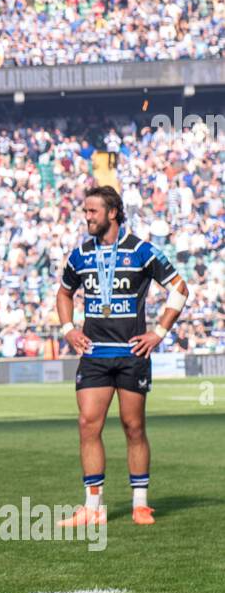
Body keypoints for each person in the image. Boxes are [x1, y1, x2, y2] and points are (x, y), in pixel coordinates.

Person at [55, 185, 188, 527]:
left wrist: (158, 332)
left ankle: (140, 504)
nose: (87, 217)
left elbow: (180, 288)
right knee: (88, 424)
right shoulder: (80, 255)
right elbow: (64, 292)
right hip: (94, 353)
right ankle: (92, 507)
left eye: (92, 211)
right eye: (85, 212)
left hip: (132, 353)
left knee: (133, 427)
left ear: (112, 212)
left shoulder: (142, 251)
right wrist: (68, 328)